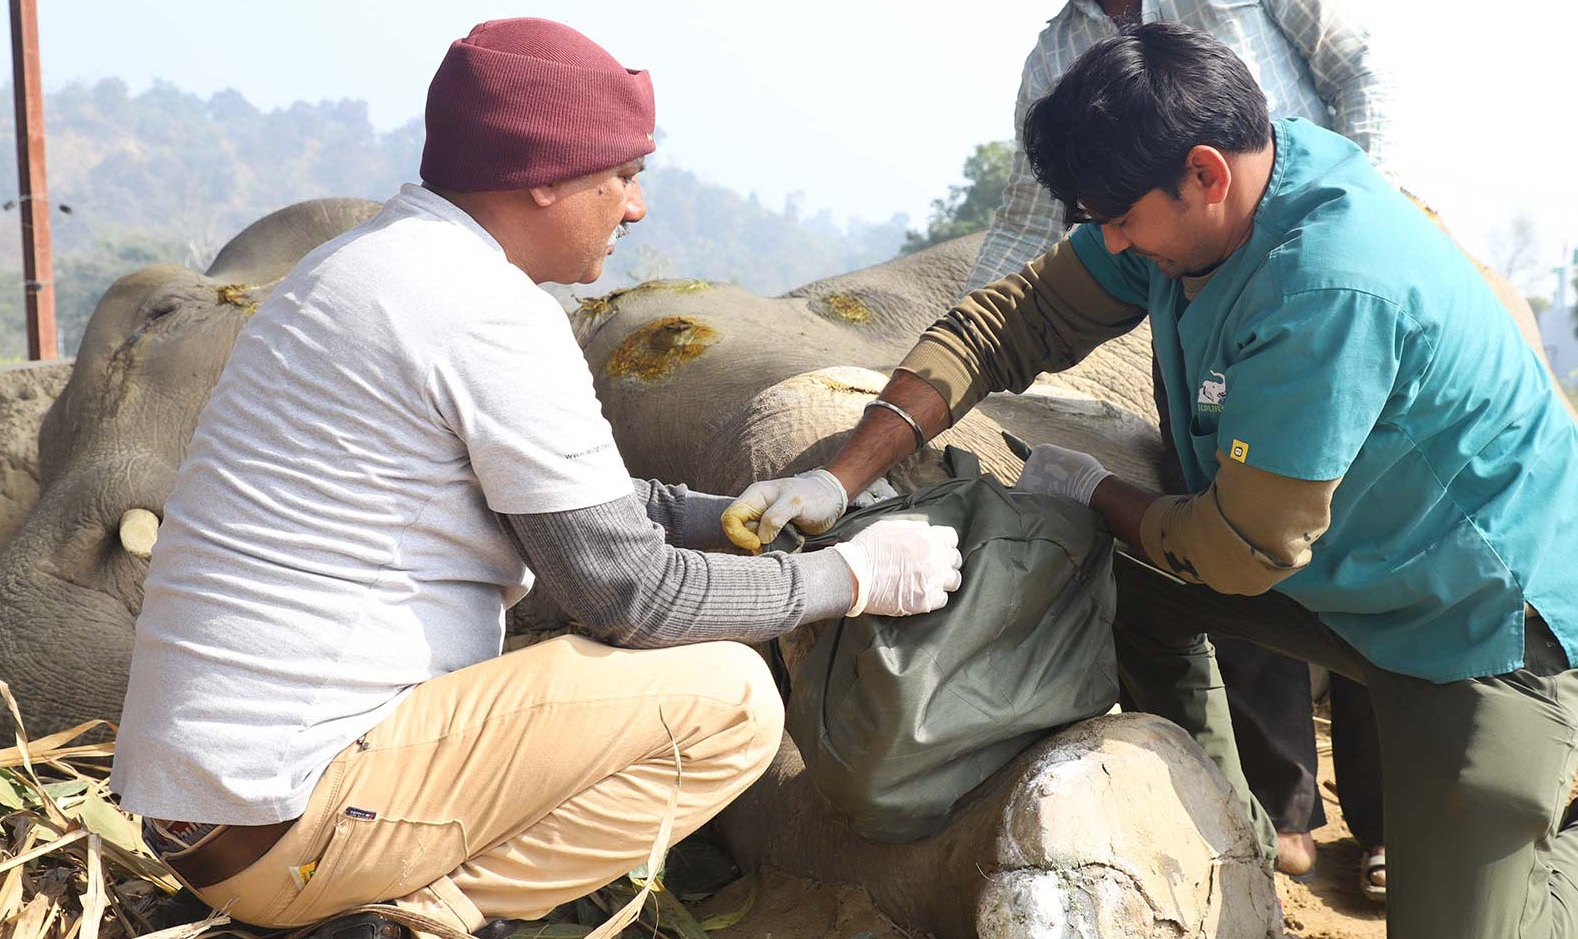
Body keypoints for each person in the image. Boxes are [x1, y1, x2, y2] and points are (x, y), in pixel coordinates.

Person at [107, 19, 963, 939]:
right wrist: (850, 578)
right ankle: (414, 918)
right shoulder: (483, 310)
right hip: (290, 825)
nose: (636, 208)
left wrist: (738, 514)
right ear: (545, 176)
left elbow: (592, 510)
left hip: (207, 825)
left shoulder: (363, 266)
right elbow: (632, 596)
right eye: (623, 175)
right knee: (729, 701)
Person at [724, 23, 1578, 939]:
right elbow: (1009, 322)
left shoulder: (1326, 285)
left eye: (1123, 220)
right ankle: (1231, 842)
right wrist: (840, 476)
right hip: (1341, 572)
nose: (1114, 242)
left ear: (1206, 174)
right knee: (1106, 577)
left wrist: (1096, 490)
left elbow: (1237, 553)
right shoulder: (1207, 198)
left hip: (1476, 624)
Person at [965, 0, 1396, 889]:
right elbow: (1029, 223)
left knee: (1356, 534)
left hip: (1317, 290)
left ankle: (1390, 815)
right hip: (1199, 294)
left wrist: (1363, 216)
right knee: (1229, 527)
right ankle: (1279, 812)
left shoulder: (1341, 260)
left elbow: (1358, 68)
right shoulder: (1058, 53)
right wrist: (975, 350)